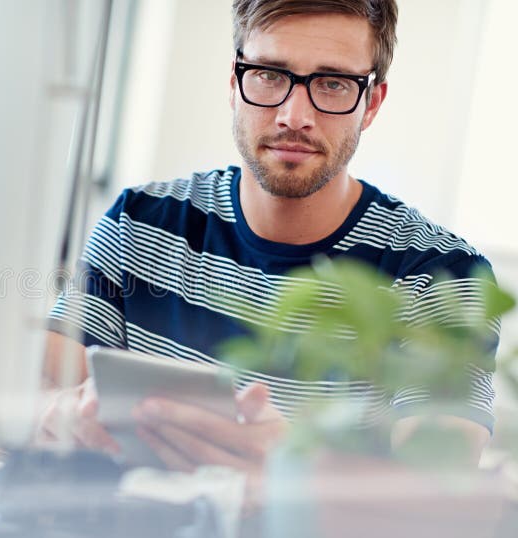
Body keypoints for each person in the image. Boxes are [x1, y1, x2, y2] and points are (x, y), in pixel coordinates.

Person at [38, 0, 495, 485]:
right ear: (235, 83)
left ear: (372, 104)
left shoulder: (445, 276)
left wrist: (296, 471)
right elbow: (36, 389)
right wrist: (57, 415)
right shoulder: (139, 222)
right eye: (270, 75)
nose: (294, 116)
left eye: (333, 83)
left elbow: (439, 488)